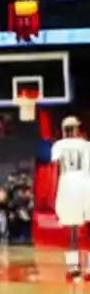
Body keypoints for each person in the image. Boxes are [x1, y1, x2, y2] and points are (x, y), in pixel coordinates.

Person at [51, 115, 90, 280]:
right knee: (88, 228)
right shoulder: (86, 145)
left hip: (67, 184)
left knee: (72, 231)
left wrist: (55, 192)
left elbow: (55, 169)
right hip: (84, 183)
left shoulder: (58, 145)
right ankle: (88, 268)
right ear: (77, 128)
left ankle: (73, 267)